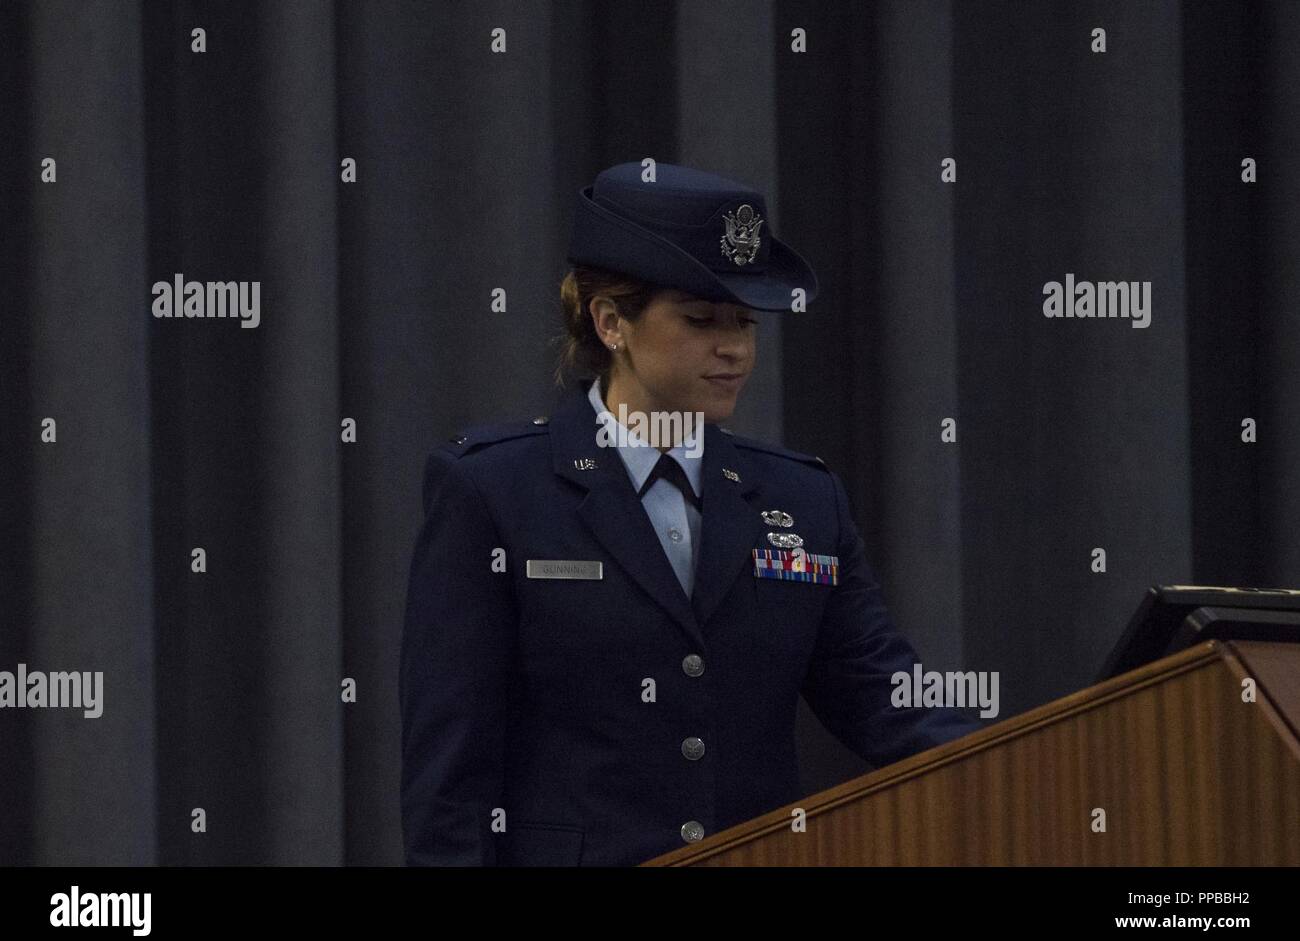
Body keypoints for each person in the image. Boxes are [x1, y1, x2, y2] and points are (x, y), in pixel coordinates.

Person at [400, 161, 981, 867]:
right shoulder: (495, 490)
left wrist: (1032, 758)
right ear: (611, 321)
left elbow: (889, 702)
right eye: (701, 320)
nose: (733, 347)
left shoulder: (801, 499)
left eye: (745, 322)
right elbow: (450, 777)